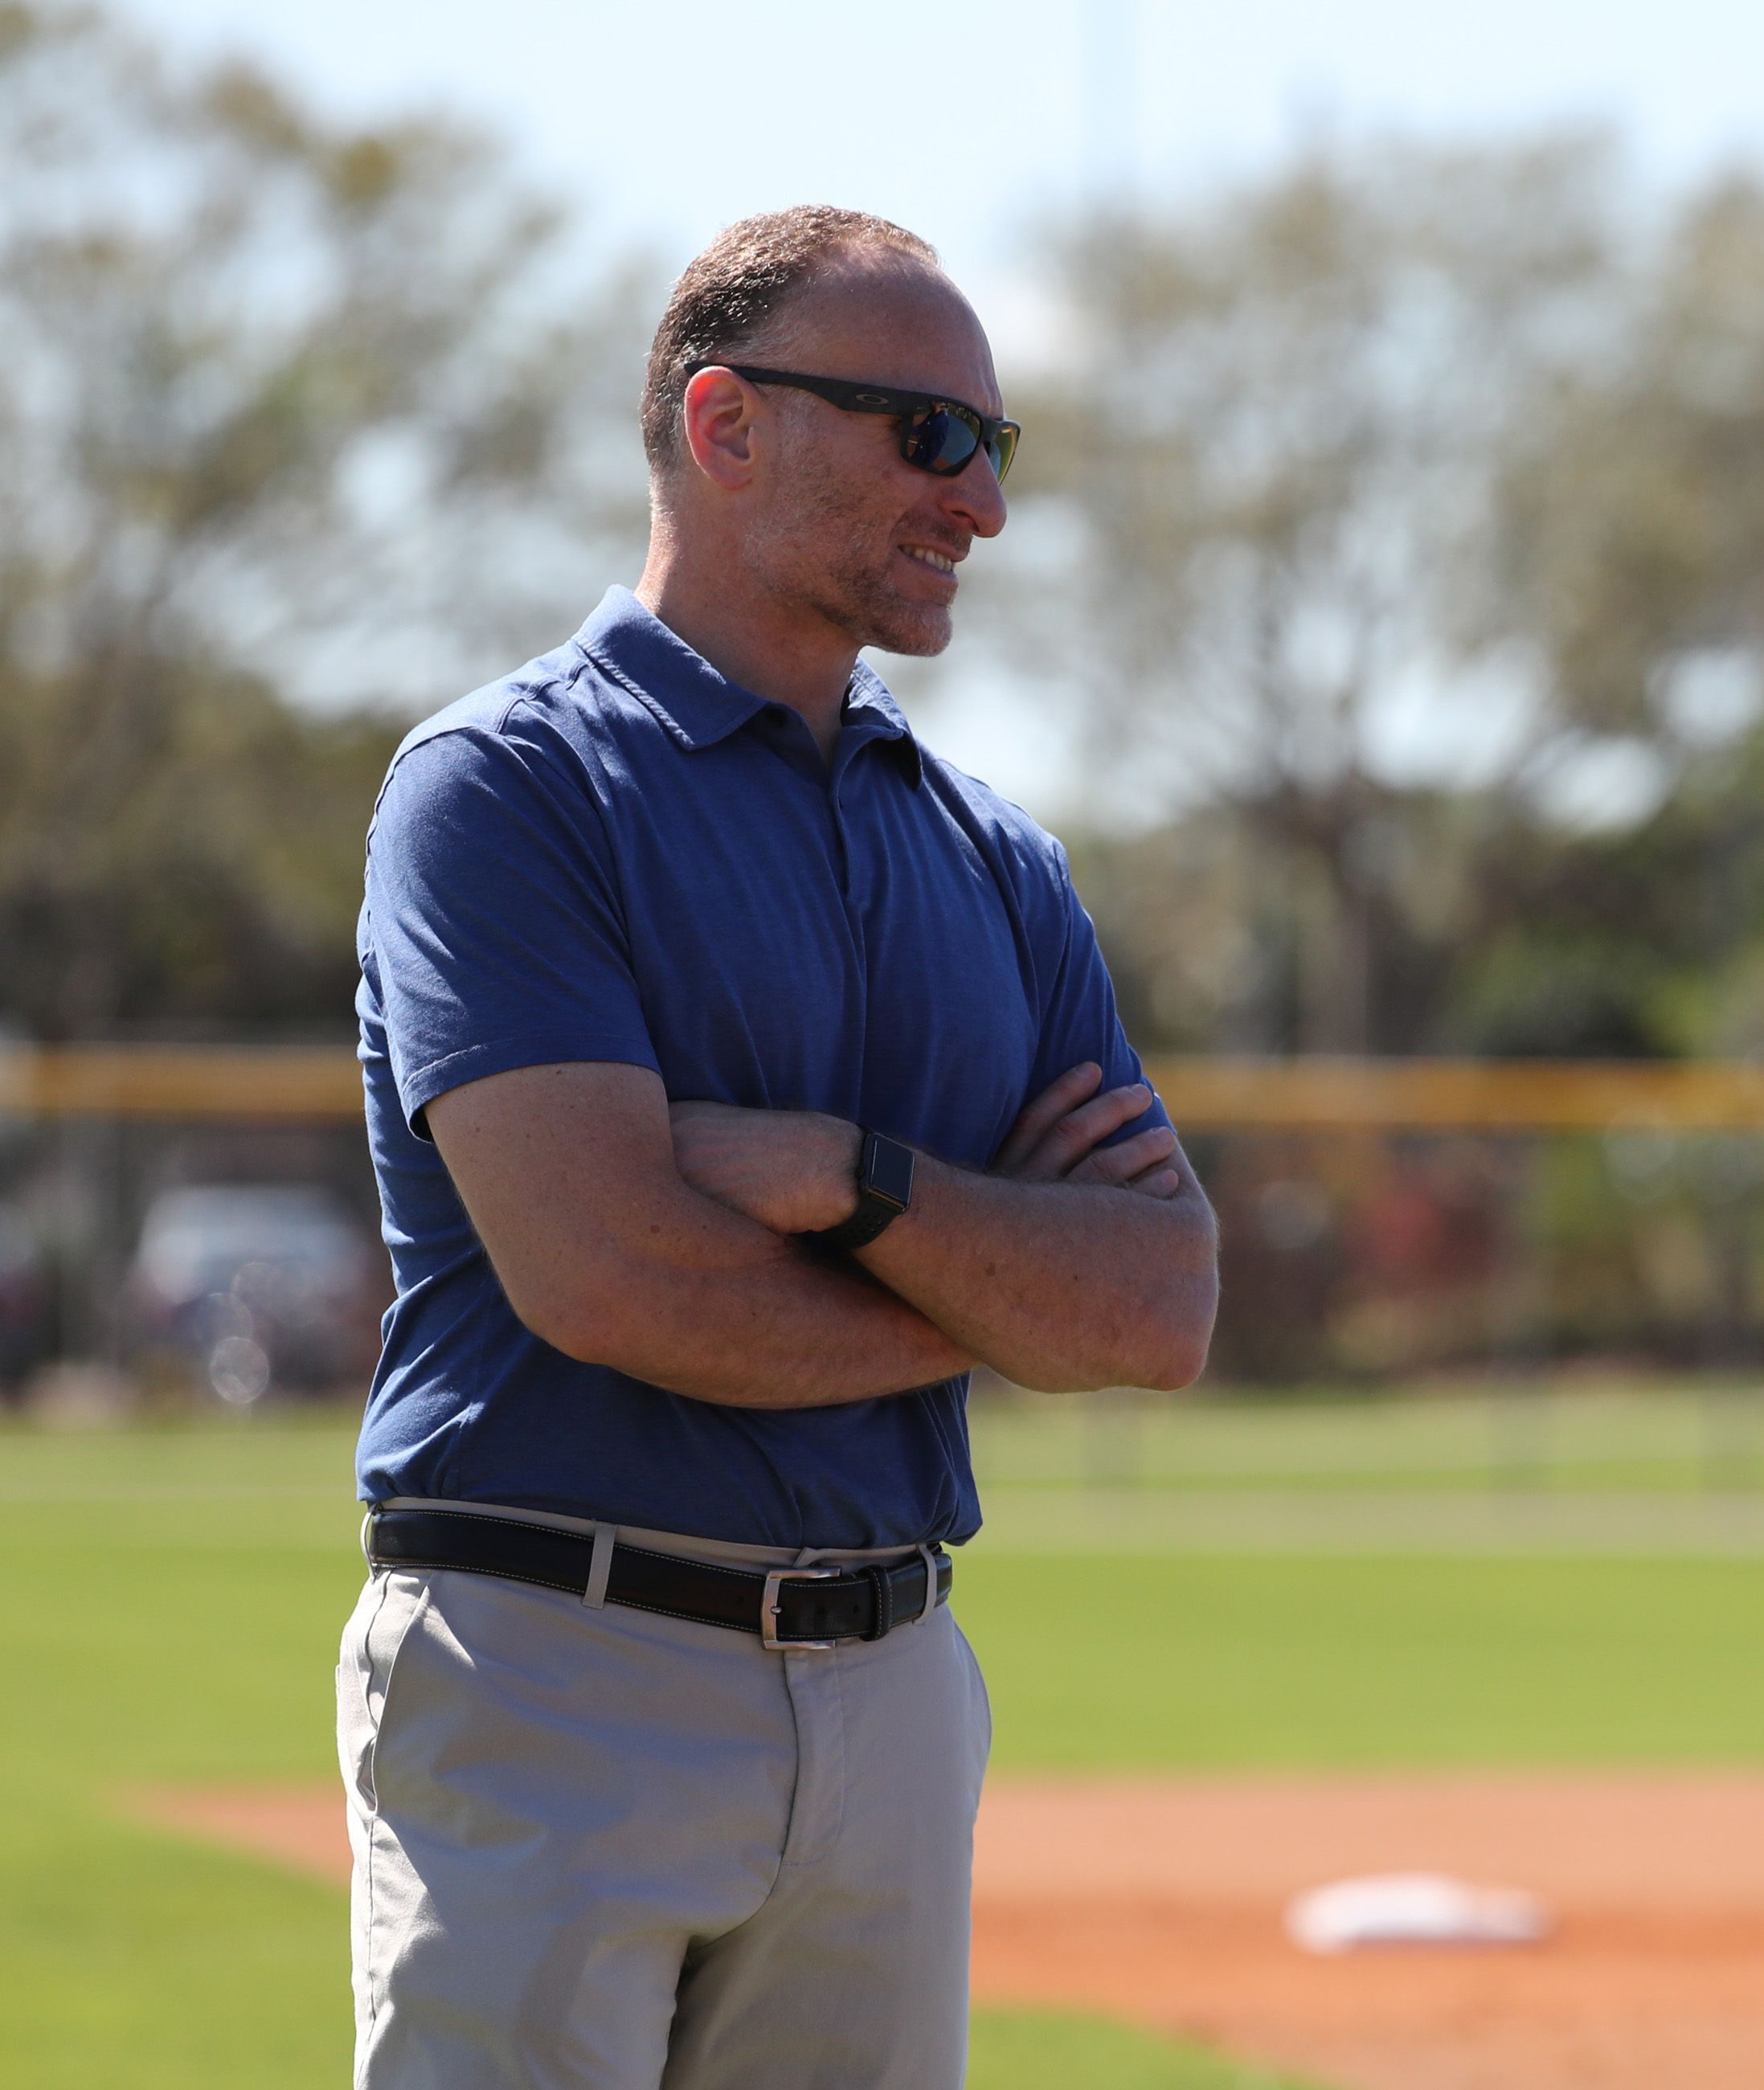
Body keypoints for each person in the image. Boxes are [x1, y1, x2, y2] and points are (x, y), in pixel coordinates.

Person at [338, 207, 1219, 2090]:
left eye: (996, 446)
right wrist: (1002, 1294)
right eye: (930, 433)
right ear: (725, 423)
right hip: (552, 1662)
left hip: (898, 1691)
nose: (979, 500)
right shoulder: (500, 793)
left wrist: (854, 1181)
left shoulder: (999, 858)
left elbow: (1158, 1302)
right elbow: (610, 1275)